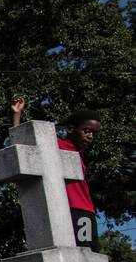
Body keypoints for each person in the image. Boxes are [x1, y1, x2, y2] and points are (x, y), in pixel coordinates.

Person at [10, 96, 102, 251]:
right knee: (79, 253)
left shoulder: (79, 153)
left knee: (90, 256)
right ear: (70, 129)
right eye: (86, 131)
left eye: (94, 133)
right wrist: (16, 115)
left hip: (86, 210)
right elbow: (22, 151)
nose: (90, 136)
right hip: (72, 208)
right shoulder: (55, 146)